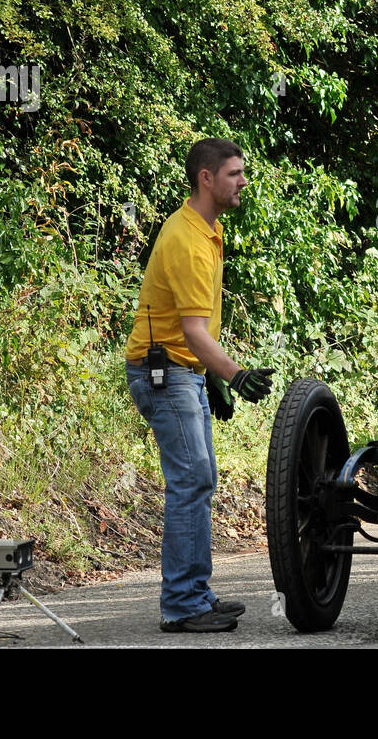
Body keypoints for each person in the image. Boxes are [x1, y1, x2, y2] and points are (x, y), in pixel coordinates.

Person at [124, 138, 276, 633]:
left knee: (199, 480)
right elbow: (193, 330)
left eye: (242, 172)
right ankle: (182, 604)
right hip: (163, 374)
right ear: (206, 178)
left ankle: (196, 592)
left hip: (180, 371)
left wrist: (208, 375)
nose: (243, 182)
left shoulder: (205, 229)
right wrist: (235, 374)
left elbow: (193, 330)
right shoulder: (189, 240)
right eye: (234, 173)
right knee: (190, 482)